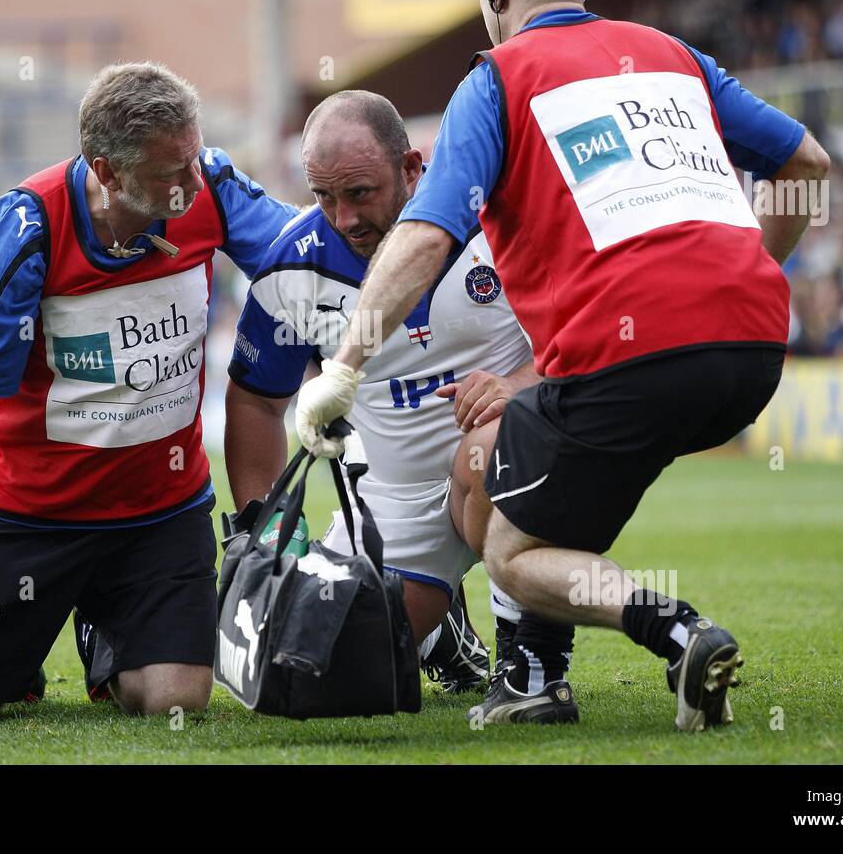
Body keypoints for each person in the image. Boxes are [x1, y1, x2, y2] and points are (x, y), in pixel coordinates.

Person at [293, 0, 830, 730]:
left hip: (635, 362)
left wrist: (344, 366)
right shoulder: (671, 54)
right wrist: (754, 271)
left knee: (510, 554)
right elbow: (806, 159)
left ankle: (676, 632)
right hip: (755, 350)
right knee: (484, 461)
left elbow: (425, 236)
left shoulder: (499, 78)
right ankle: (533, 683)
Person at [0, 62, 299, 720]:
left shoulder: (211, 185)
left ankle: (103, 631)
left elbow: (303, 253)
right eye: (168, 174)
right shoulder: (24, 233)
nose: (190, 185)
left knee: (175, 700)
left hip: (159, 513)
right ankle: (21, 645)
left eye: (193, 160)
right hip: (30, 514)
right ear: (107, 171)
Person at [224, 90, 578, 718]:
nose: (344, 218)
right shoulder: (289, 269)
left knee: (486, 456)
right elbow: (254, 403)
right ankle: (442, 633)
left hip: (511, 467)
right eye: (324, 196)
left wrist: (519, 385)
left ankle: (530, 667)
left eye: (361, 193)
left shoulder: (501, 221)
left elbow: (585, 332)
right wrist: (261, 527)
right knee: (306, 685)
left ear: (414, 169)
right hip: (394, 507)